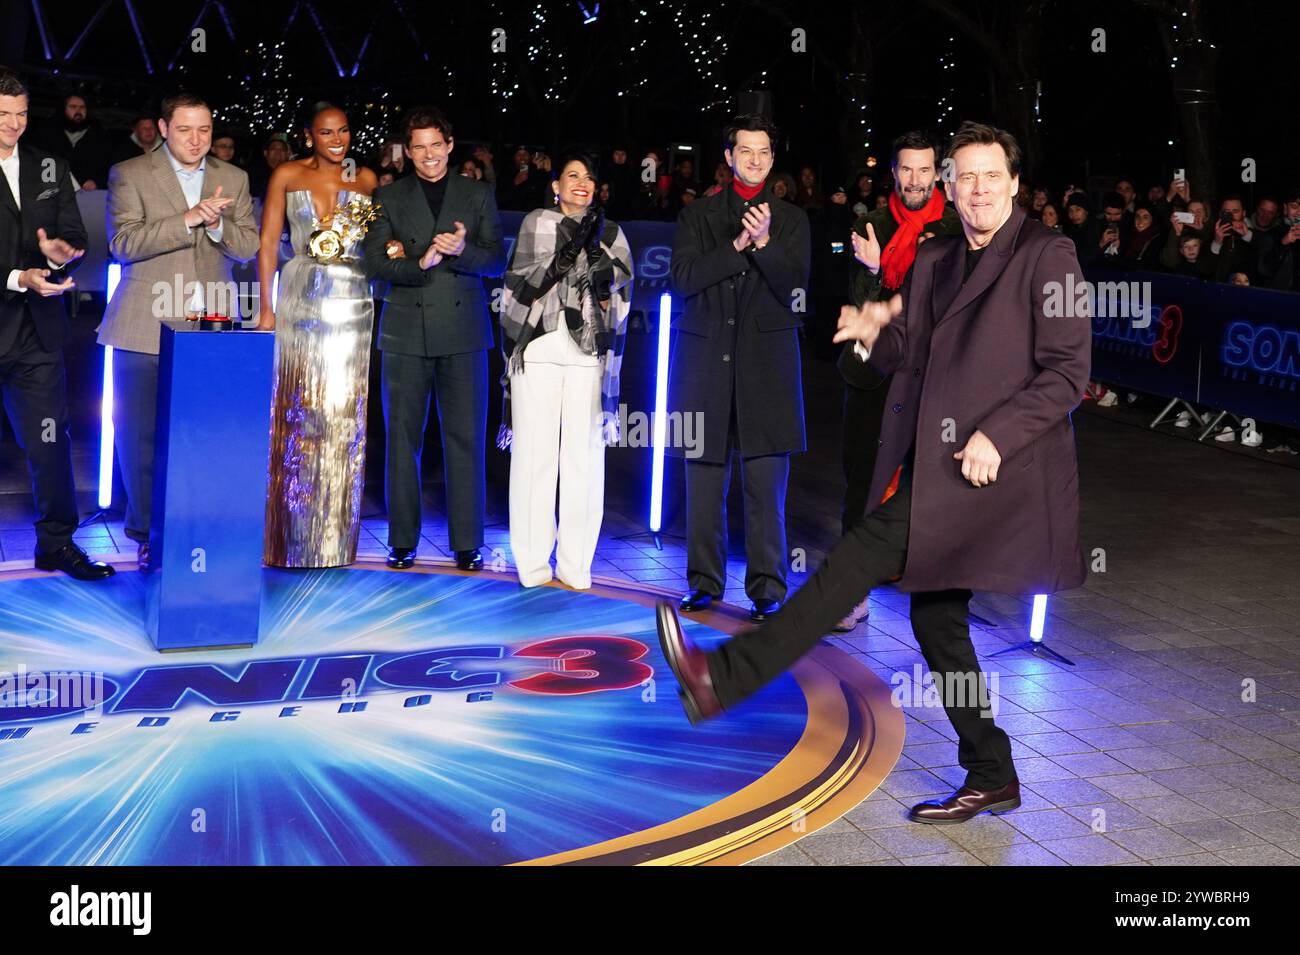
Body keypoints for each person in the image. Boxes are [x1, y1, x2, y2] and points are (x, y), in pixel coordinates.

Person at [656, 121, 1091, 826]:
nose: (977, 190)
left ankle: (720, 678)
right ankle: (993, 770)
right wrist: (873, 333)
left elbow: (1069, 371)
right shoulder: (939, 257)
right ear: (951, 186)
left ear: (1015, 184)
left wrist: (994, 434)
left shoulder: (1048, 255)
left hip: (993, 473)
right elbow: (909, 346)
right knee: (937, 620)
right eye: (965, 177)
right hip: (940, 459)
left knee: (854, 558)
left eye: (991, 176)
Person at [99, 92, 259, 570]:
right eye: (185, 129)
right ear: (164, 129)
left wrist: (216, 228)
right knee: (141, 438)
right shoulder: (130, 173)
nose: (196, 139)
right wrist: (188, 218)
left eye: (205, 130)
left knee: (203, 434)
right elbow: (123, 244)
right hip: (142, 325)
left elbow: (248, 247)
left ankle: (200, 531)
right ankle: (148, 533)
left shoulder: (234, 178)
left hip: (209, 330)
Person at [670, 113, 810, 621]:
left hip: (767, 371)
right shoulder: (697, 216)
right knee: (704, 483)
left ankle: (768, 588)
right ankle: (704, 583)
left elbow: (796, 293)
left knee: (764, 488)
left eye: (764, 151)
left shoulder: (792, 220)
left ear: (774, 159)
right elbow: (683, 280)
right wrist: (735, 247)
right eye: (745, 150)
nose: (755, 159)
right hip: (704, 365)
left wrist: (767, 244)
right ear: (728, 156)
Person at [362, 106, 506, 572]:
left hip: (464, 333)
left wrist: (463, 251)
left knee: (464, 439)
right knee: (402, 440)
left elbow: (497, 262)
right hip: (403, 331)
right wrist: (417, 264)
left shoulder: (478, 194)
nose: (427, 155)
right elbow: (374, 264)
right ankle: (402, 540)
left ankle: (468, 543)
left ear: (449, 145)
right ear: (409, 150)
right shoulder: (387, 197)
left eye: (435, 145)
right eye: (418, 146)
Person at [837, 130, 961, 633]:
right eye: (905, 169)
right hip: (875, 374)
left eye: (923, 169)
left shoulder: (956, 225)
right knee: (862, 482)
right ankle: (851, 591)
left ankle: (934, 597)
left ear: (937, 173)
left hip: (934, 376)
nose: (914, 179)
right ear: (894, 172)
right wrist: (875, 270)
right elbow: (861, 305)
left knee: (932, 483)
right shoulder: (871, 223)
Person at [497, 151, 634, 589]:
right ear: (555, 185)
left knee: (585, 461)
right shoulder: (536, 222)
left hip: (588, 353)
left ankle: (576, 565)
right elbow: (522, 283)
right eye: (572, 175)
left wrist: (600, 269)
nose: (581, 183)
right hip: (536, 348)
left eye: (589, 178)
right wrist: (570, 251)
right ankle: (532, 563)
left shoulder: (611, 232)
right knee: (534, 460)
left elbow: (622, 289)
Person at [0, 69, 113, 581]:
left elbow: (73, 236)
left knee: (50, 442)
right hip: (12, 301)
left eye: (21, 114)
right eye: (3, 115)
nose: (14, 125)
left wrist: (63, 255)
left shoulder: (49, 166)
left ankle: (57, 544)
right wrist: (17, 276)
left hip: (37, 333)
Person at [255, 104, 379, 567]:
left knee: (343, 415)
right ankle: (287, 538)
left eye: (344, 130)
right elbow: (268, 243)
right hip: (301, 295)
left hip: (352, 301)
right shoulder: (287, 174)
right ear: (309, 136)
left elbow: (385, 239)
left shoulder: (366, 180)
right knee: (296, 409)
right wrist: (266, 307)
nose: (336, 139)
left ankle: (334, 541)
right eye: (326, 132)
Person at [36, 94, 112, 190]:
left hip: (88, 194)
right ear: (64, 109)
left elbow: (110, 166)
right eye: (73, 107)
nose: (78, 111)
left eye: (82, 107)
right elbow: (41, 161)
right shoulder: (49, 134)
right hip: (54, 192)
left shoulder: (100, 135)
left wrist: (97, 182)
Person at [248, 133, 290, 200]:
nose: (278, 151)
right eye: (273, 148)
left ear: (287, 154)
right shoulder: (254, 173)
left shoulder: (292, 173)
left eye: (282, 149)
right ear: (265, 153)